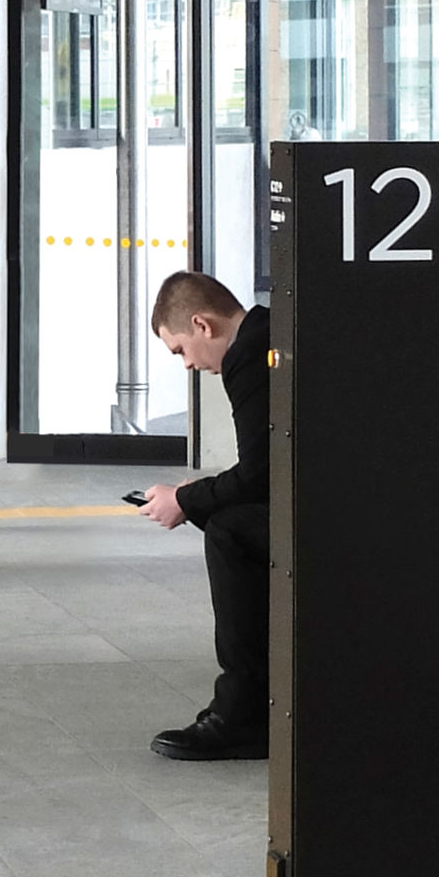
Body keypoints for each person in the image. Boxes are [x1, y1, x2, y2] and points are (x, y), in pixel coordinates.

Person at [137, 271, 272, 762]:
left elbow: (261, 475)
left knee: (229, 531)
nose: (189, 364)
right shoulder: (268, 335)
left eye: (181, 350)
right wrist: (192, 496)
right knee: (231, 520)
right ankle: (250, 703)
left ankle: (243, 713)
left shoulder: (252, 355)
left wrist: (187, 500)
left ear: (202, 325)